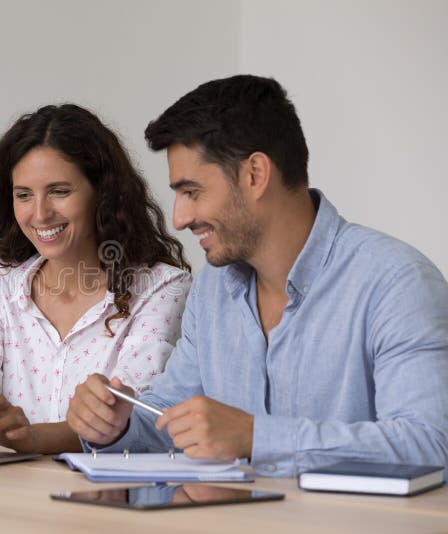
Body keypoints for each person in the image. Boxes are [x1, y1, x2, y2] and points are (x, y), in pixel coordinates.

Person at [67, 75, 448, 476]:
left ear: (255, 175)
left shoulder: (397, 283)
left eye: (192, 192)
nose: (179, 218)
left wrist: (256, 437)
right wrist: (118, 423)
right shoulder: (213, 289)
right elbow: (171, 417)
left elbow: (431, 442)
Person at [0, 104, 192, 454]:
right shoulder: (0, 281)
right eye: (24, 195)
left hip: (112, 495)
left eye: (59, 191)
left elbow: (127, 415)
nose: (39, 213)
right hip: (13, 491)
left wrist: (35, 438)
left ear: (103, 192)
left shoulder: (162, 287)